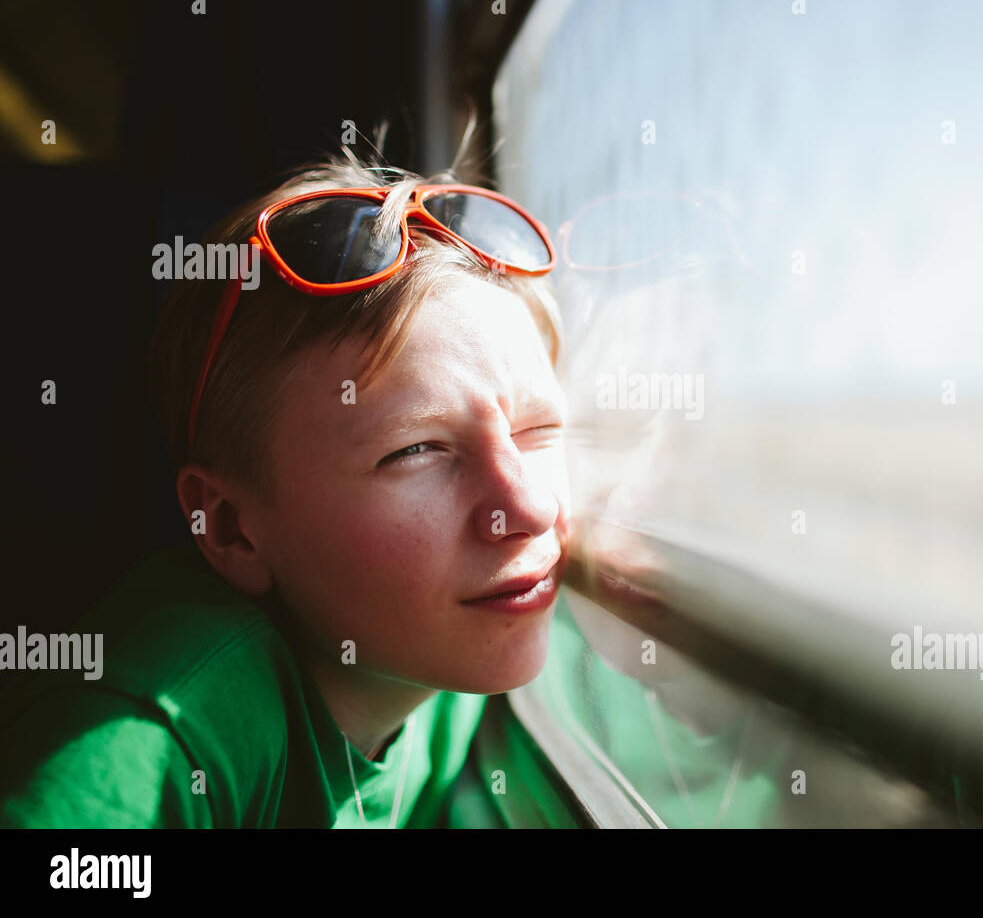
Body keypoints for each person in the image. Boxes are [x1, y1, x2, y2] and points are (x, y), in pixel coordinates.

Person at [0, 139, 572, 827]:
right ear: (234, 529)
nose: (529, 509)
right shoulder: (153, 735)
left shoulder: (451, 634)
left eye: (536, 430)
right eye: (415, 451)